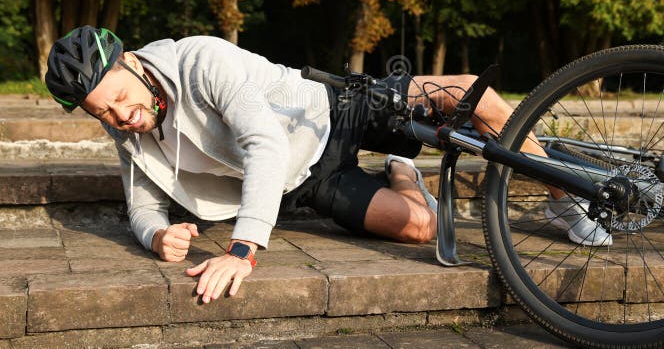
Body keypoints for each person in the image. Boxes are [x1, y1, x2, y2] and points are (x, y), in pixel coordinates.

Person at [44, 26, 610, 304]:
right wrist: (155, 234)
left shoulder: (200, 60)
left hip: (328, 112)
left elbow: (262, 142)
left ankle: (564, 197)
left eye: (119, 97)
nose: (122, 116)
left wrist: (243, 249)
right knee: (425, 228)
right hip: (306, 181)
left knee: (469, 96)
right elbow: (141, 201)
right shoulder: (125, 128)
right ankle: (403, 171)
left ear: (130, 62)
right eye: (104, 114)